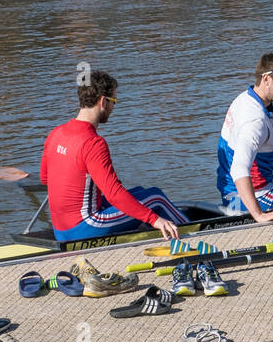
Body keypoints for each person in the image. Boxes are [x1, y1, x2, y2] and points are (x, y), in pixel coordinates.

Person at [41, 71, 186, 242]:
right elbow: (114, 194)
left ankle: (160, 228)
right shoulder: (93, 143)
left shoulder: (55, 133)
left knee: (140, 192)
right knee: (156, 197)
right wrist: (154, 219)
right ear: (103, 101)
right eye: (113, 102)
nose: (113, 107)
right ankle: (199, 232)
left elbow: (45, 179)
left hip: (60, 229)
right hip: (84, 228)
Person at [216, 53, 273, 223]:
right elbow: (238, 169)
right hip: (250, 199)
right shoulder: (254, 121)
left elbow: (241, 151)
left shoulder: (245, 98)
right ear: (266, 79)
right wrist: (259, 215)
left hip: (232, 196)